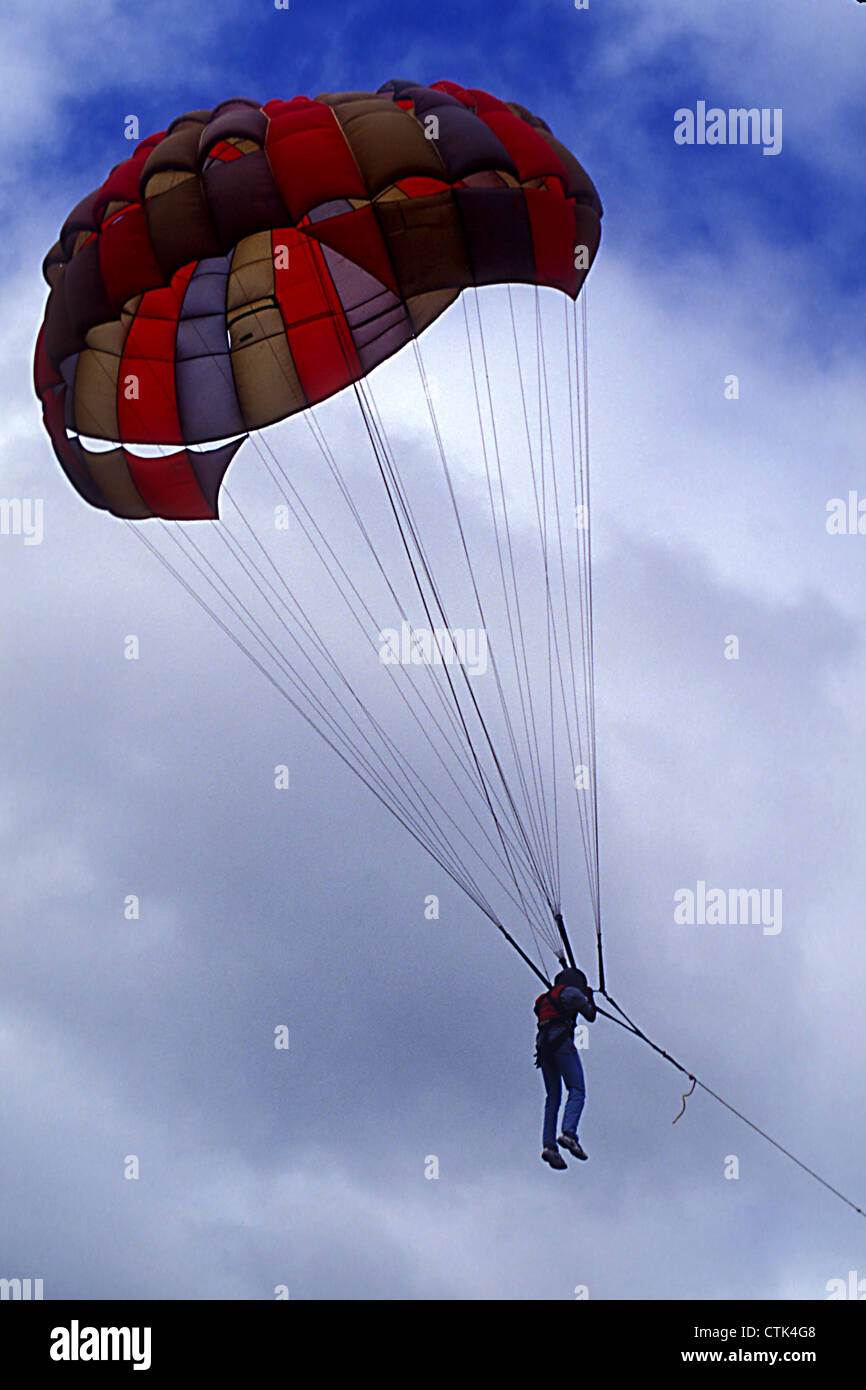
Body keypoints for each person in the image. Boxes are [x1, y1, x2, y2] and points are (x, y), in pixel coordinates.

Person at [534, 966, 596, 1169]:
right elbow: (591, 1015)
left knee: (552, 1098)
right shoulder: (571, 994)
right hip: (561, 1044)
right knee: (577, 1090)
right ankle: (569, 1134)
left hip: (544, 1048)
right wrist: (589, 997)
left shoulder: (543, 999)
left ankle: (548, 1146)